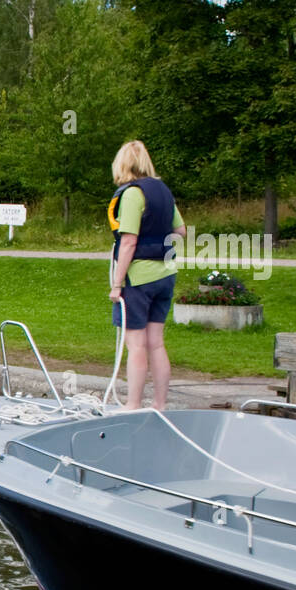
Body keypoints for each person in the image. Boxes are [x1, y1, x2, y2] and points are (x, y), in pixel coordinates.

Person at [107, 140, 186, 411]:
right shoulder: (163, 191)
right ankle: (160, 404)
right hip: (165, 274)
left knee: (137, 344)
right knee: (156, 343)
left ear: (123, 164)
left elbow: (128, 241)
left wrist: (117, 285)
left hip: (139, 278)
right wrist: (159, 241)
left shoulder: (132, 194)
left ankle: (132, 404)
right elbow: (182, 231)